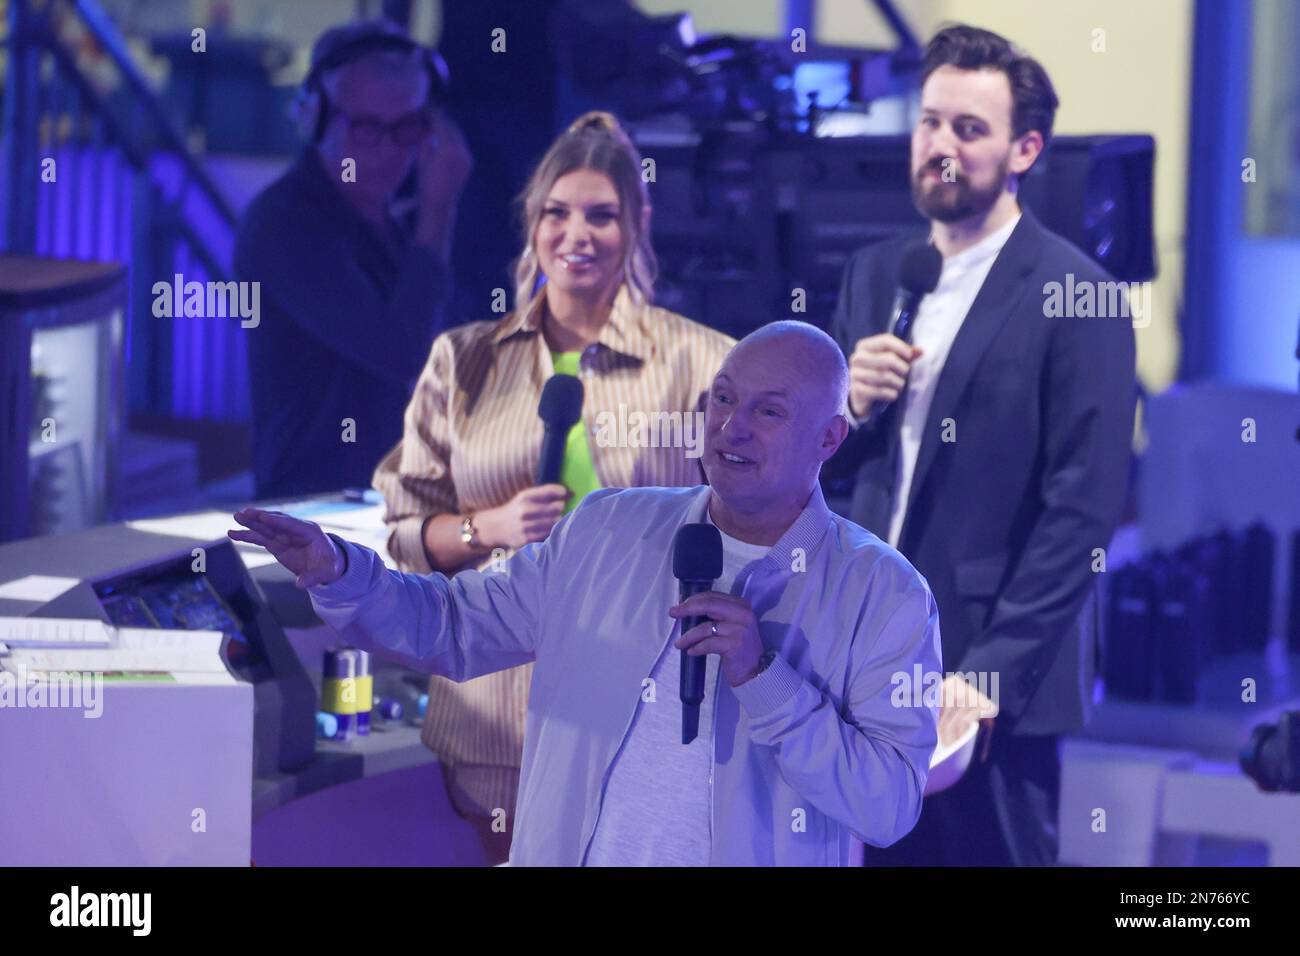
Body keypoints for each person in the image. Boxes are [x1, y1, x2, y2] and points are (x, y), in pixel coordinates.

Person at [230, 320, 942, 866]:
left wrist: (764, 678)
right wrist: (336, 568)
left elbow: (888, 805)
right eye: (723, 398)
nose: (732, 425)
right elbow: (450, 624)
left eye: (769, 412)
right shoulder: (606, 530)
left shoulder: (884, 596)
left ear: (830, 437)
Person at [370, 111, 734, 863]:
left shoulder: (702, 363)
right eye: (556, 213)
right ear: (532, 226)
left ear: (636, 225)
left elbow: (751, 528)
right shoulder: (464, 361)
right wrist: (488, 529)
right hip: (496, 718)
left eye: (602, 215)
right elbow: (406, 535)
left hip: (648, 713)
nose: (577, 234)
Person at [827, 24, 1137, 865]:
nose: (942, 147)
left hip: (990, 680)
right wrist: (847, 406)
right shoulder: (876, 273)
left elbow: (1083, 510)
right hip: (865, 664)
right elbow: (826, 469)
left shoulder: (1081, 295)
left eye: (970, 129)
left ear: (1025, 149)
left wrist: (988, 673)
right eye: (931, 123)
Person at [234, 18, 472, 498]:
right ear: (317, 118)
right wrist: (438, 211)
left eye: (407, 128)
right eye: (367, 129)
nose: (389, 151)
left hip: (400, 497)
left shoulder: (395, 223)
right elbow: (403, 354)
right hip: (315, 509)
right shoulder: (285, 225)